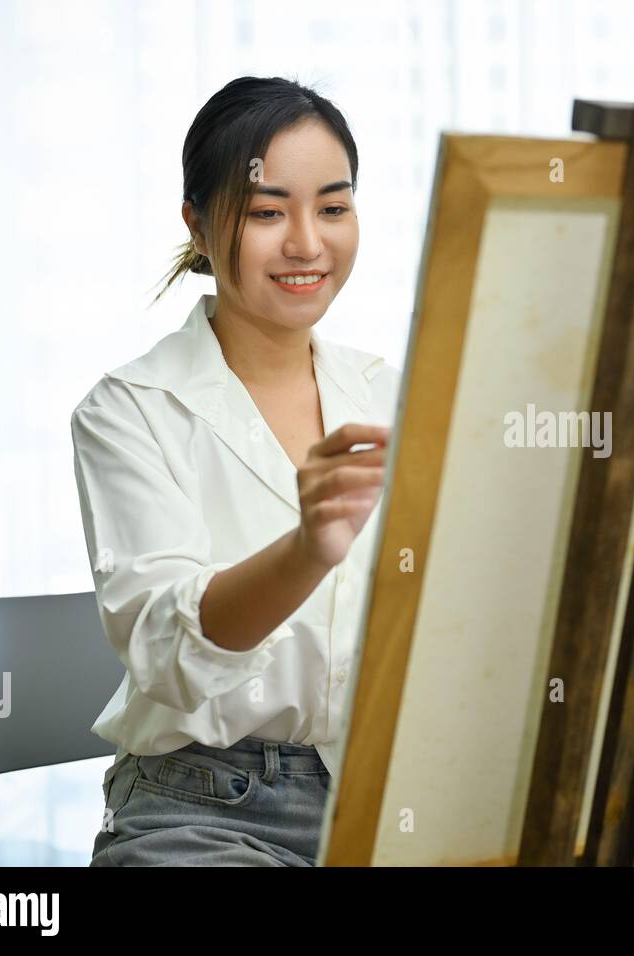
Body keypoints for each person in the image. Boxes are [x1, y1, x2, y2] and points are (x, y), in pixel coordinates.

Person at [70, 75, 398, 866]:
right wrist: (308, 548)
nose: (307, 244)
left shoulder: (392, 391)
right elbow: (171, 654)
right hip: (202, 810)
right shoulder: (129, 410)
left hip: (384, 801)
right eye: (265, 211)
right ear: (199, 223)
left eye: (332, 206)